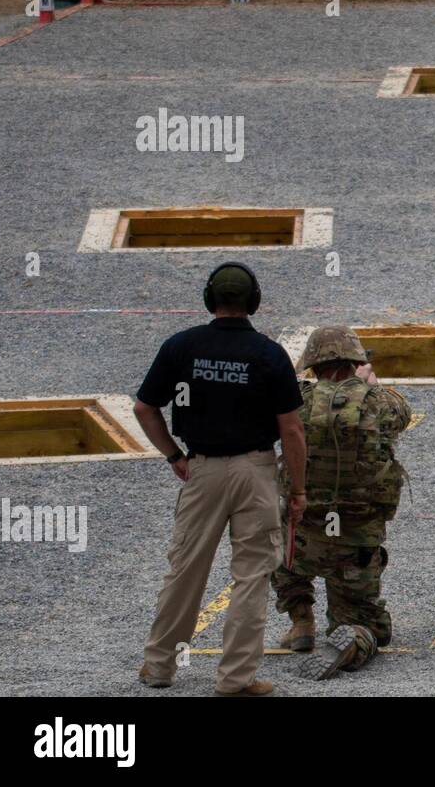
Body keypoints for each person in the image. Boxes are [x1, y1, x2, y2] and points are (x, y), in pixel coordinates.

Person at [134, 262, 306, 696]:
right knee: (251, 577)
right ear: (254, 302)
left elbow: (144, 409)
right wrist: (299, 489)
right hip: (256, 470)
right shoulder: (269, 353)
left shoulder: (181, 346)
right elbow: (291, 430)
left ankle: (158, 668)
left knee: (185, 570)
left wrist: (173, 454)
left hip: (202, 469)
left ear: (210, 300)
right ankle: (236, 679)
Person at [271, 326, 412, 681]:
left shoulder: (294, 400)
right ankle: (355, 637)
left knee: (275, 532)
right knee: (373, 628)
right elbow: (402, 415)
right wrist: (368, 387)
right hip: (355, 541)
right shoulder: (379, 402)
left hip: (301, 538)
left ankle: (301, 620)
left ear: (312, 365)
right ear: (355, 362)